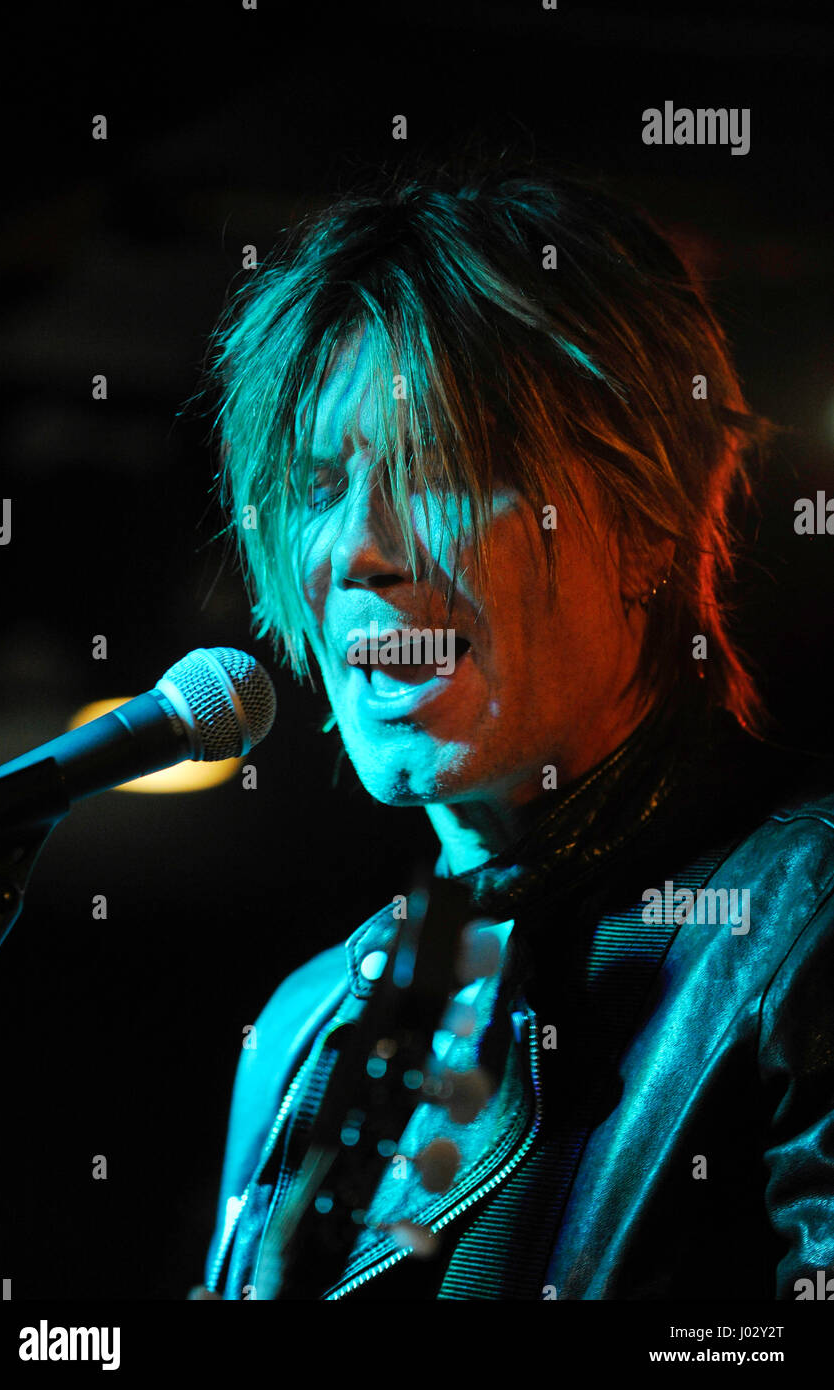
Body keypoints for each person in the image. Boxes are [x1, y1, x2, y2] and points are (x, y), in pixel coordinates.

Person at [193, 162, 834, 1300]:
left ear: (649, 520)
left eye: (439, 469)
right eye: (317, 484)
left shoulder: (800, 925)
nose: (357, 550)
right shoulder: (303, 1033)